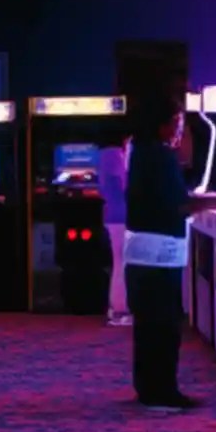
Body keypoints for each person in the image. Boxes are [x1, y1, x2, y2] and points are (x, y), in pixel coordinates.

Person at [124, 96, 216, 411]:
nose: (180, 128)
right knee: (164, 325)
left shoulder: (139, 151)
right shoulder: (161, 157)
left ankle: (148, 388)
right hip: (159, 253)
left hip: (139, 251)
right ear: (162, 124)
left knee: (147, 324)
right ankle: (162, 392)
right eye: (177, 121)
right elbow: (177, 205)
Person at [98, 133, 132, 326]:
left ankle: (118, 309)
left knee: (120, 264)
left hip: (114, 213)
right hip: (120, 215)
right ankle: (119, 310)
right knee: (121, 264)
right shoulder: (113, 155)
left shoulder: (106, 155)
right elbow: (126, 185)